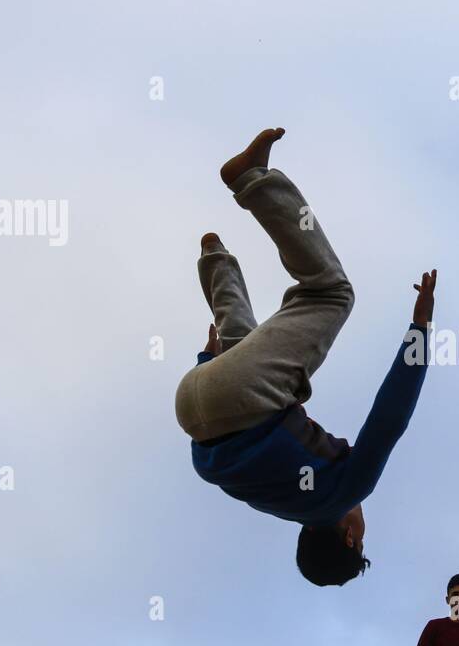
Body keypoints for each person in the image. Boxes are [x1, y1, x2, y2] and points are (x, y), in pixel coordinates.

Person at [174, 127, 438, 587]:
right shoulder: (274, 499)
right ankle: (215, 259)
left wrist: (419, 331)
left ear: (351, 539)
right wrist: (205, 362)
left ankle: (252, 179)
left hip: (242, 398)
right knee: (253, 359)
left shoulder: (342, 493)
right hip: (193, 410)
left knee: (331, 293)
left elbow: (389, 419)